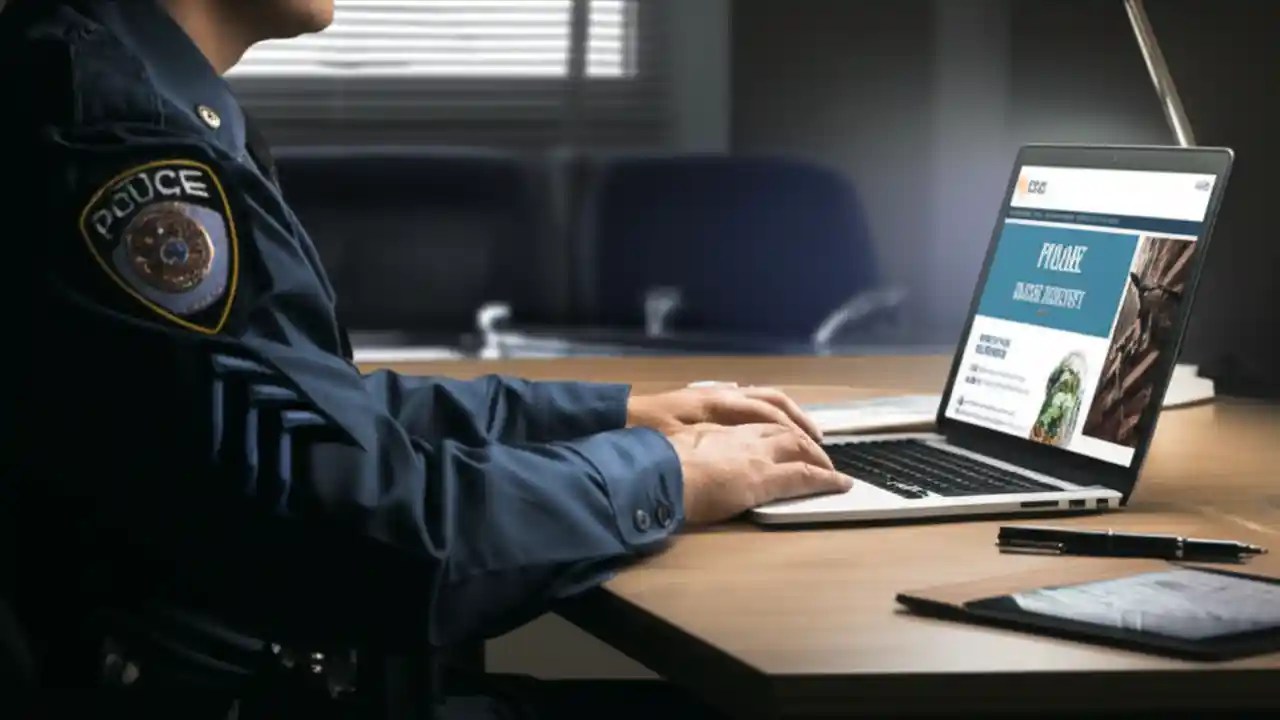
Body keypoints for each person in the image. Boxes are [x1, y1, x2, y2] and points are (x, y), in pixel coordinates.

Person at [0, 0, 852, 716]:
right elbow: (372, 532)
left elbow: (313, 419)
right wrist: (664, 474)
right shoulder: (125, 141)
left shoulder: (116, 90)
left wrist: (615, 413)